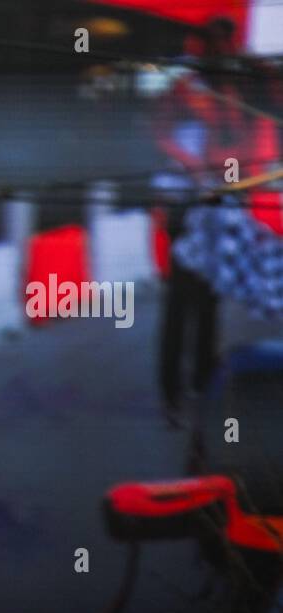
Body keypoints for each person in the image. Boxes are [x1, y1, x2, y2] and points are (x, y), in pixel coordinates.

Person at [153, 17, 258, 423]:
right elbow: (162, 137)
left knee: (209, 298)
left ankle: (201, 379)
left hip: (214, 205)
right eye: (219, 43)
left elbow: (238, 144)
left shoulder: (228, 92)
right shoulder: (182, 91)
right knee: (180, 303)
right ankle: (172, 391)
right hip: (183, 205)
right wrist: (193, 166)